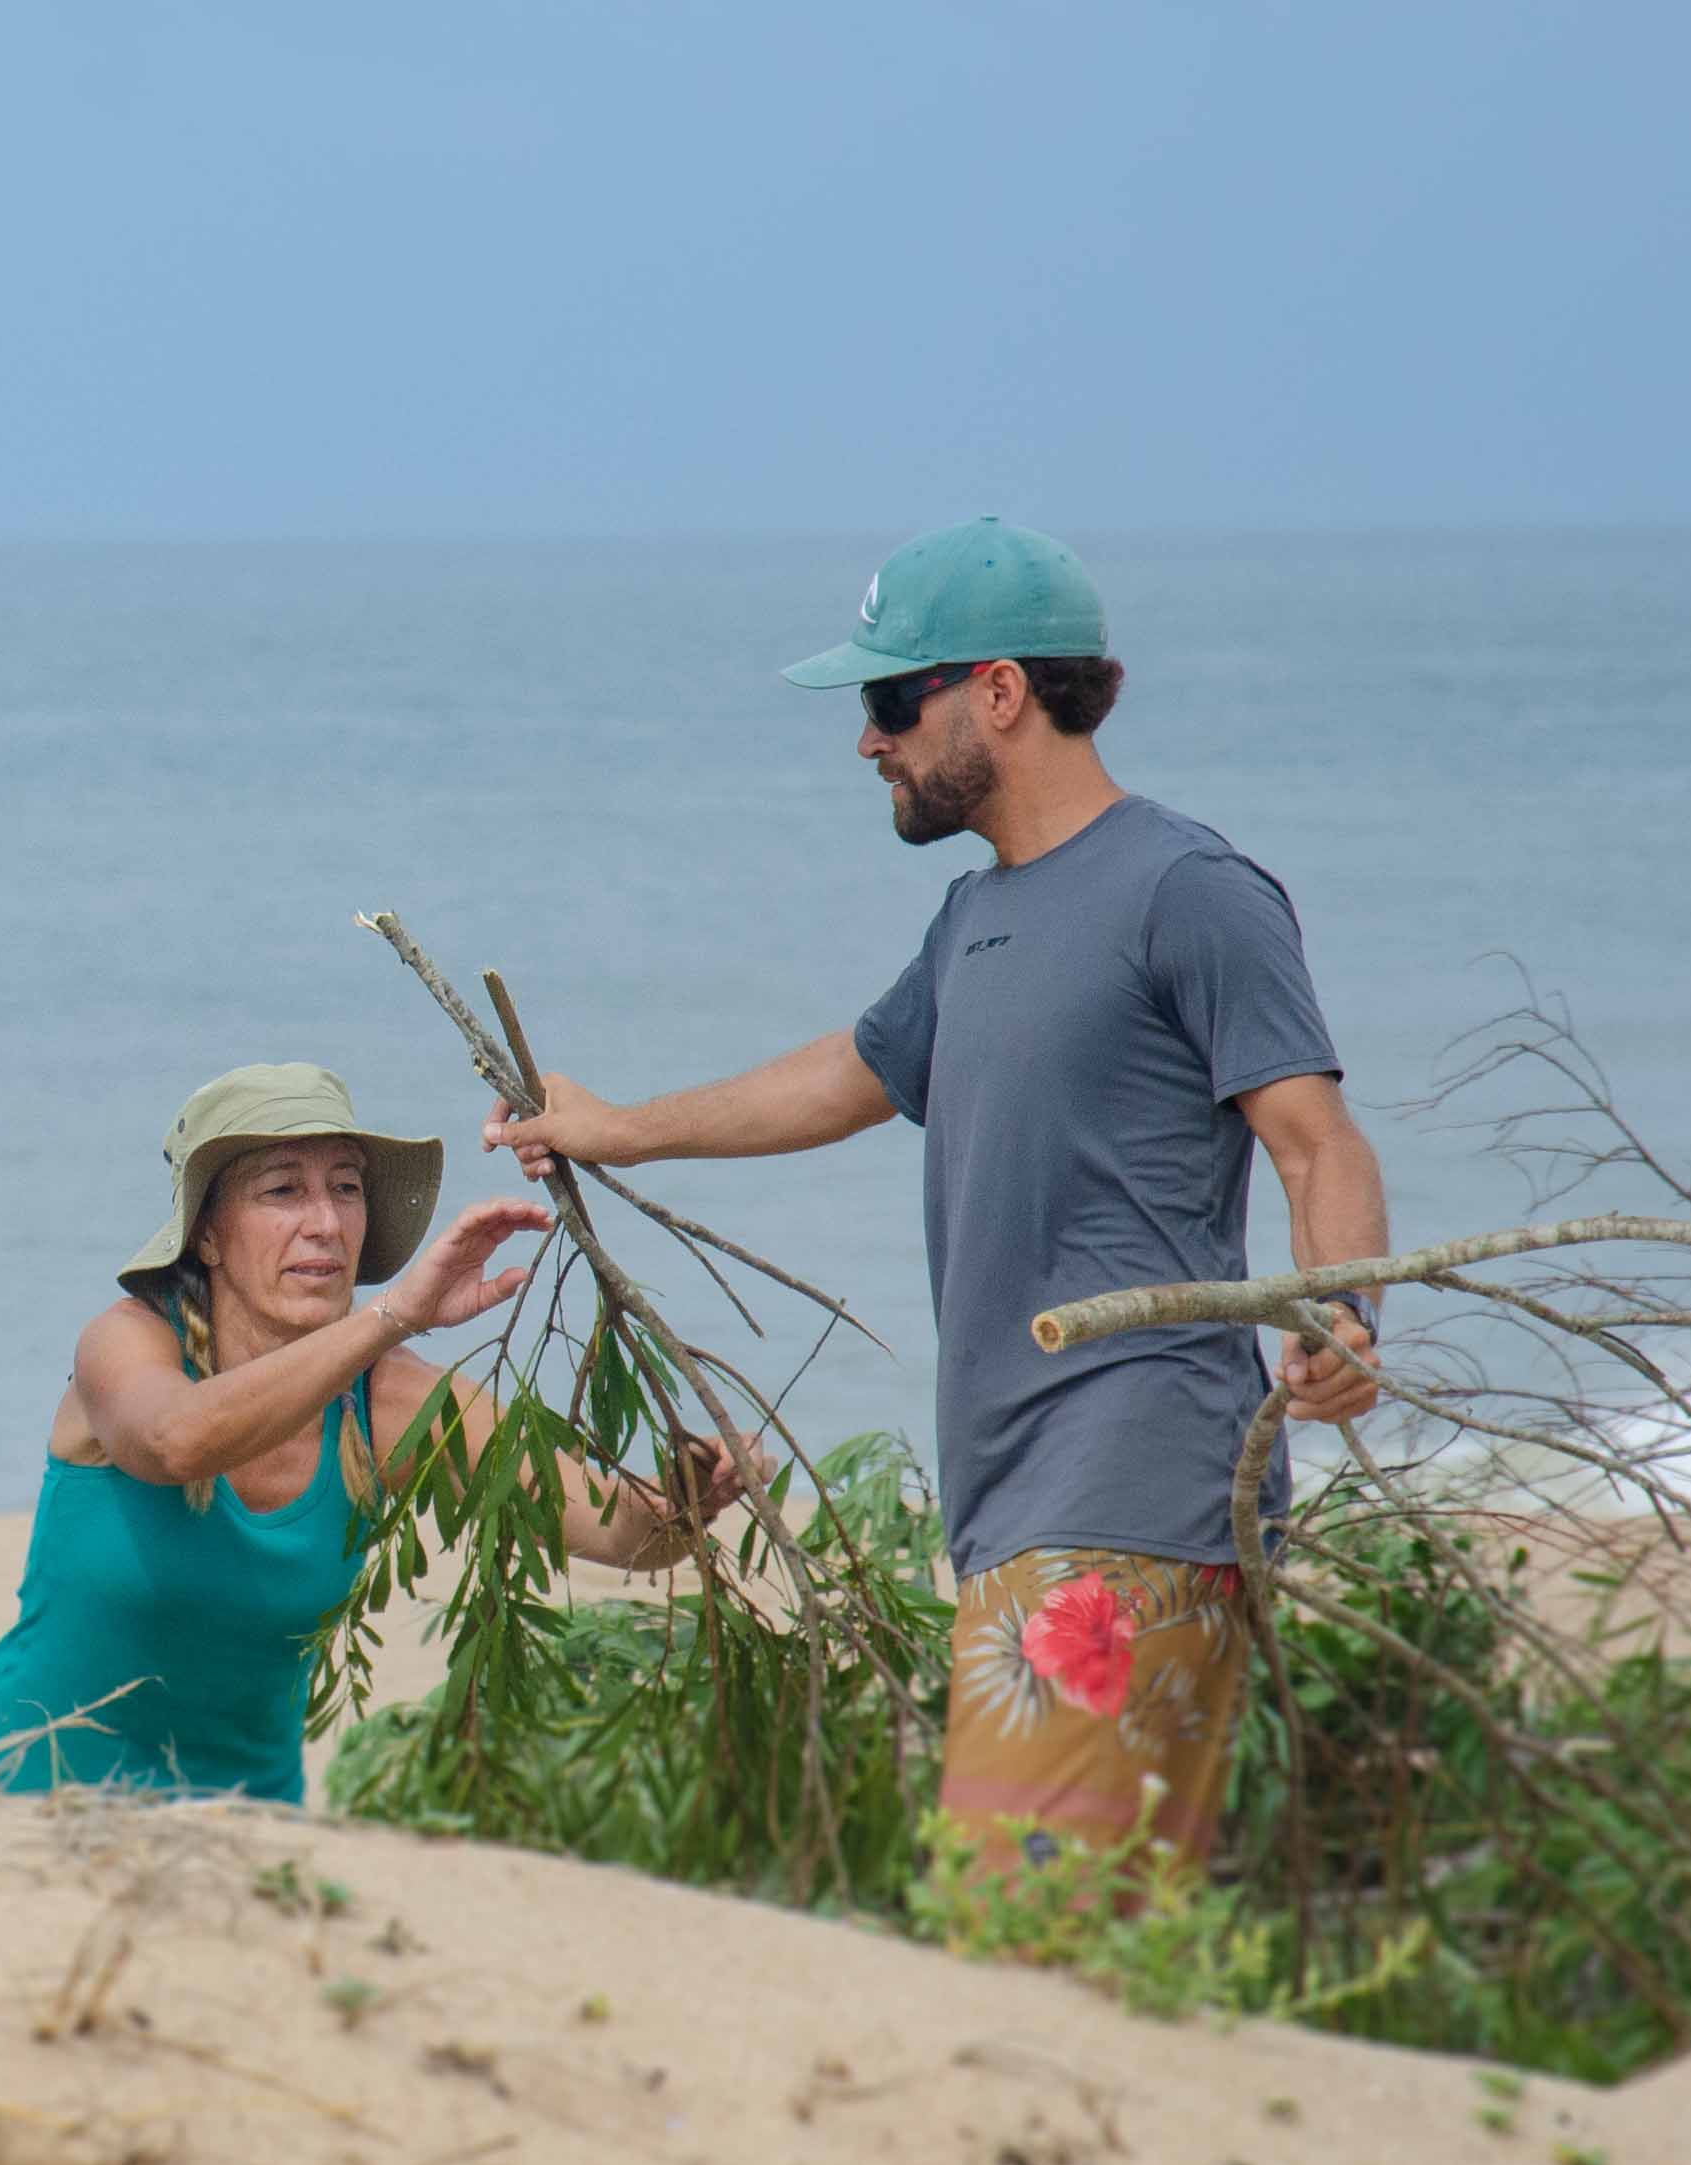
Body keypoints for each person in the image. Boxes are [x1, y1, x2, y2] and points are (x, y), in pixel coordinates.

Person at [484, 519, 1389, 1875]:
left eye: (890, 700)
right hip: (1011, 1497)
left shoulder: (1187, 890)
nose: (868, 741)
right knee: (1086, 1918)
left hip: (1138, 1474)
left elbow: (1317, 1142)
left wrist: (1342, 1321)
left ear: (1001, 691)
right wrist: (621, 1132)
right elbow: (849, 1075)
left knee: (1026, 1908)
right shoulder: (975, 919)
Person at [0, 1064, 748, 1805]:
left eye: (344, 1188)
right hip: (19, 1799)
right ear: (206, 1235)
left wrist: (686, 1499)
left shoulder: (388, 1399)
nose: (326, 1223)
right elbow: (173, 1443)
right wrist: (392, 1316)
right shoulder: (128, 1343)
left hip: (243, 1819)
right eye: (282, 1192)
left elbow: (618, 1533)